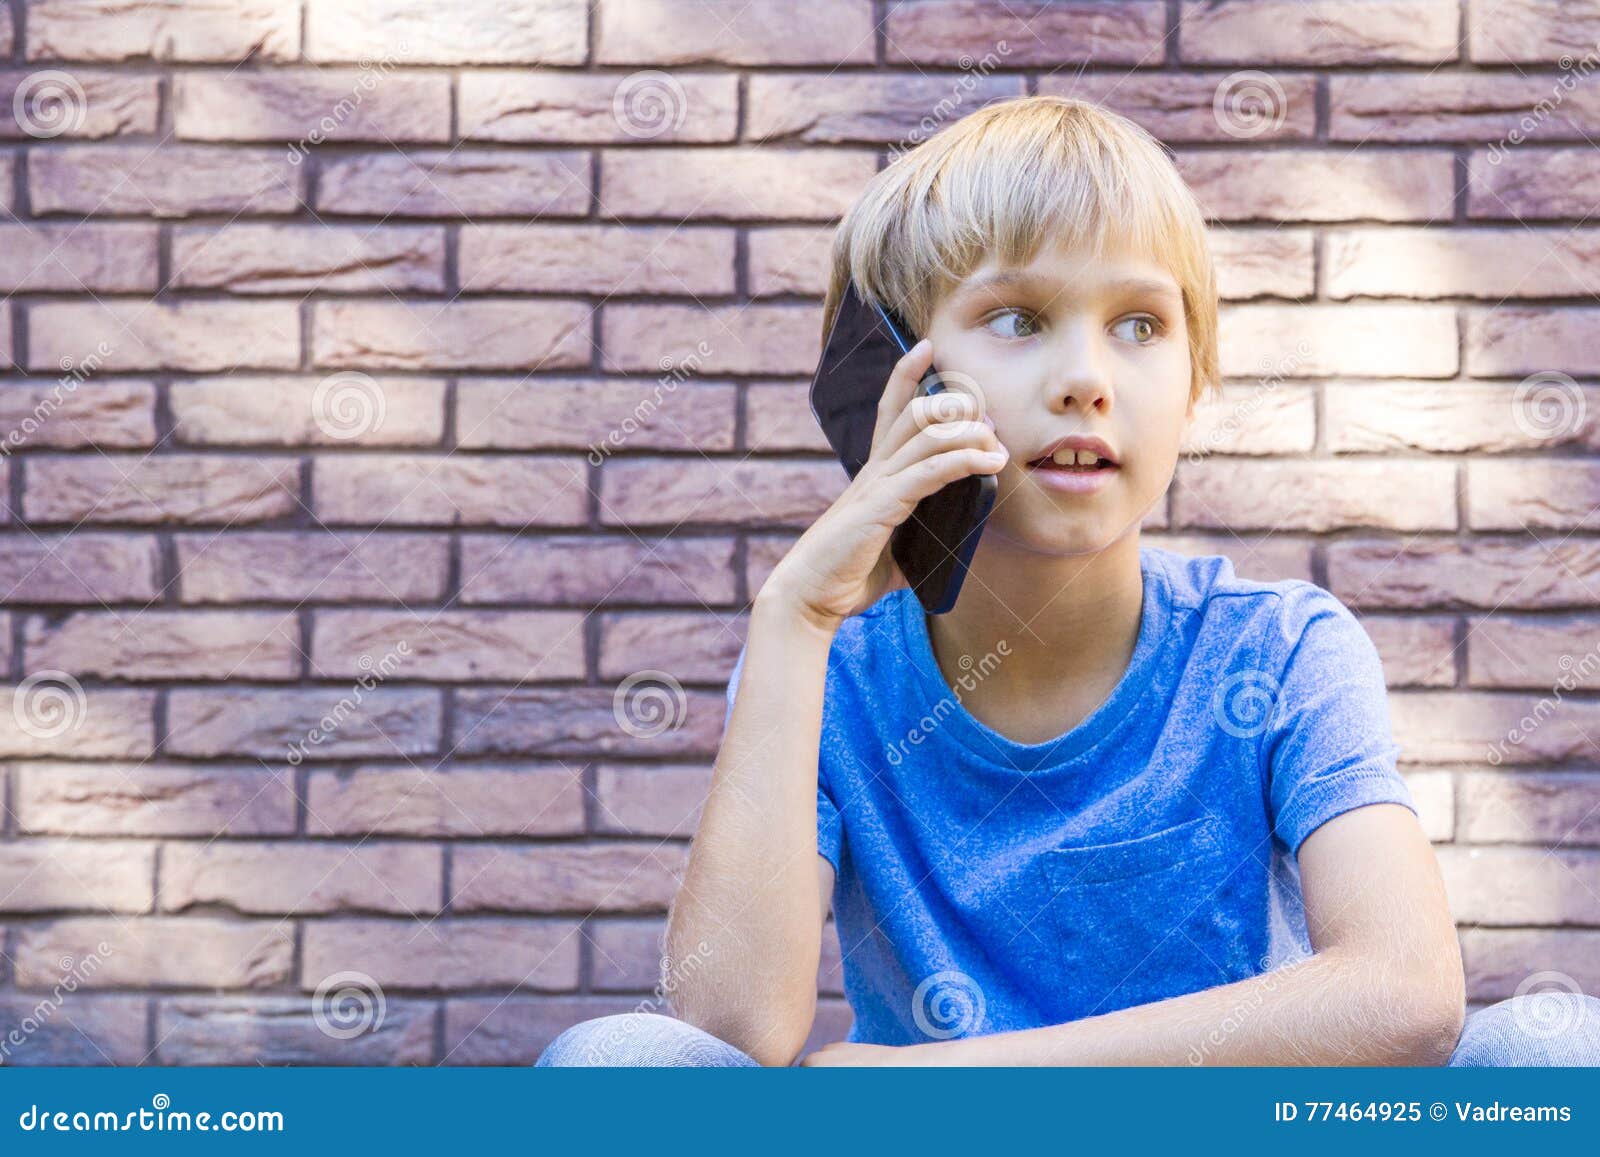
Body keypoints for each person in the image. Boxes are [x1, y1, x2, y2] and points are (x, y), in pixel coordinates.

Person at [540, 95, 1599, 1067]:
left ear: (1192, 387)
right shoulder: (829, 671)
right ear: (888, 379)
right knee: (620, 1061)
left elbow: (1404, 993)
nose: (1088, 377)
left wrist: (956, 1080)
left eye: (1139, 325)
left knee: (1554, 1048)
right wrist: (792, 615)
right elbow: (728, 1030)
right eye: (1017, 319)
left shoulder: (1277, 648)